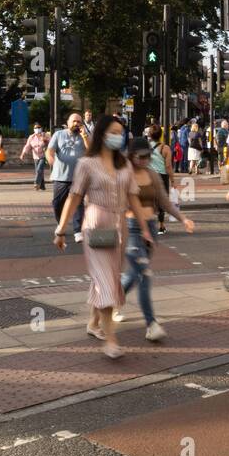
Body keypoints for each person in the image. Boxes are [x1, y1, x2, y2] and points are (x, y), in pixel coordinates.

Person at [52, 116, 150, 357]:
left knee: (105, 277)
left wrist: (145, 226)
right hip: (97, 225)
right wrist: (61, 228)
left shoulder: (124, 165)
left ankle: (94, 323)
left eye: (121, 132)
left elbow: (133, 196)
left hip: (120, 227)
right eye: (114, 132)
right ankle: (111, 339)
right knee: (107, 280)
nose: (119, 136)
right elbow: (74, 197)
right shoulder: (87, 163)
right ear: (102, 134)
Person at [122, 137, 194, 341]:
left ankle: (109, 303)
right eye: (141, 156)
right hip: (132, 230)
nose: (145, 160)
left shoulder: (152, 174)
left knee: (132, 275)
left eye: (148, 156)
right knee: (144, 274)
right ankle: (151, 324)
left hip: (151, 229)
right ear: (131, 156)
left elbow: (164, 201)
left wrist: (183, 218)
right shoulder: (124, 176)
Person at [47, 113, 87, 243]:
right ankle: (61, 223)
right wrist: (51, 160)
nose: (76, 123)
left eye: (79, 122)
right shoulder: (59, 135)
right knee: (57, 203)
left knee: (78, 204)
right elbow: (50, 151)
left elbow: (92, 151)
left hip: (78, 177)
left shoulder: (85, 135)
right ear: (68, 122)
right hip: (61, 176)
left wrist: (85, 136)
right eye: (74, 121)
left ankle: (77, 231)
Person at [144, 124, 175, 235]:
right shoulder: (165, 148)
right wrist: (173, 180)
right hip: (162, 176)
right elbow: (168, 166)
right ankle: (161, 225)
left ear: (150, 135)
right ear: (161, 135)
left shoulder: (146, 147)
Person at [20, 122, 51, 191]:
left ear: (41, 128)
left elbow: (51, 143)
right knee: (39, 171)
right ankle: (42, 186)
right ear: (33, 129)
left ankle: (36, 183)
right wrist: (23, 154)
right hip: (35, 157)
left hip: (43, 155)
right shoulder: (31, 137)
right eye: (36, 128)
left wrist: (45, 140)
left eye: (39, 127)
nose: (37, 129)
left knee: (39, 169)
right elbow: (27, 146)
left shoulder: (45, 135)